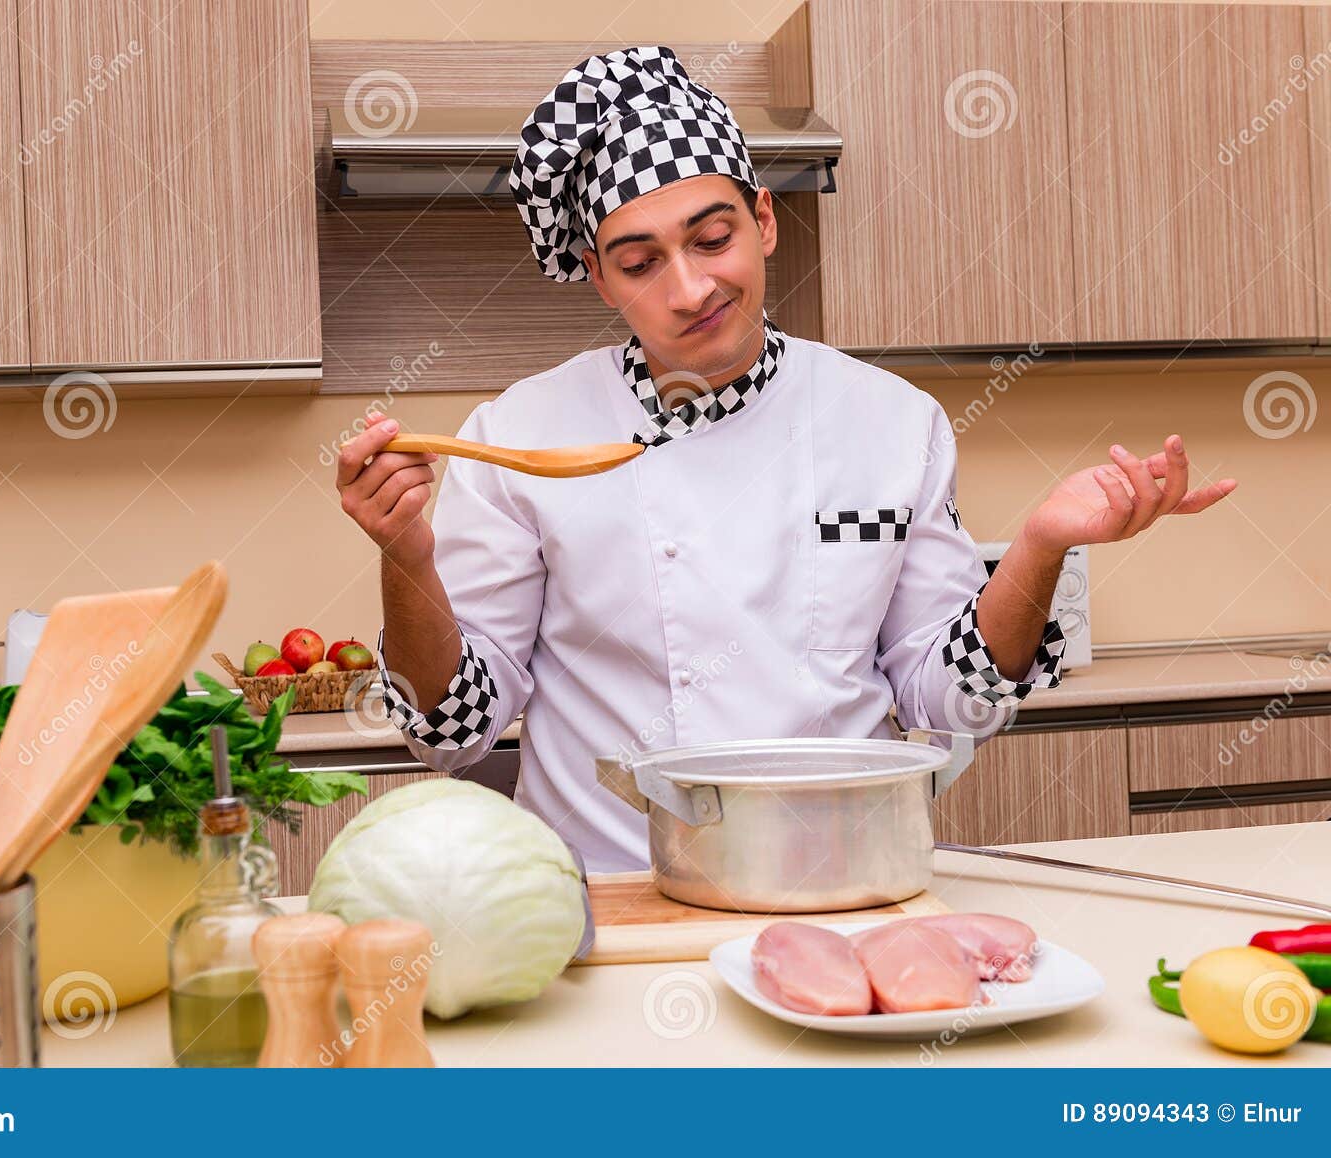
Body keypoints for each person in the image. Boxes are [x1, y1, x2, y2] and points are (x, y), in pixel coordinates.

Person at [334, 46, 1236, 872]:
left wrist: (1039, 546)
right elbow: (450, 732)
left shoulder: (893, 422)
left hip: (842, 882)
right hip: (612, 897)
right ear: (599, 277)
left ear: (764, 219)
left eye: (712, 237)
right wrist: (405, 559)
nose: (692, 289)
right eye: (642, 262)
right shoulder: (517, 436)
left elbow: (945, 707)